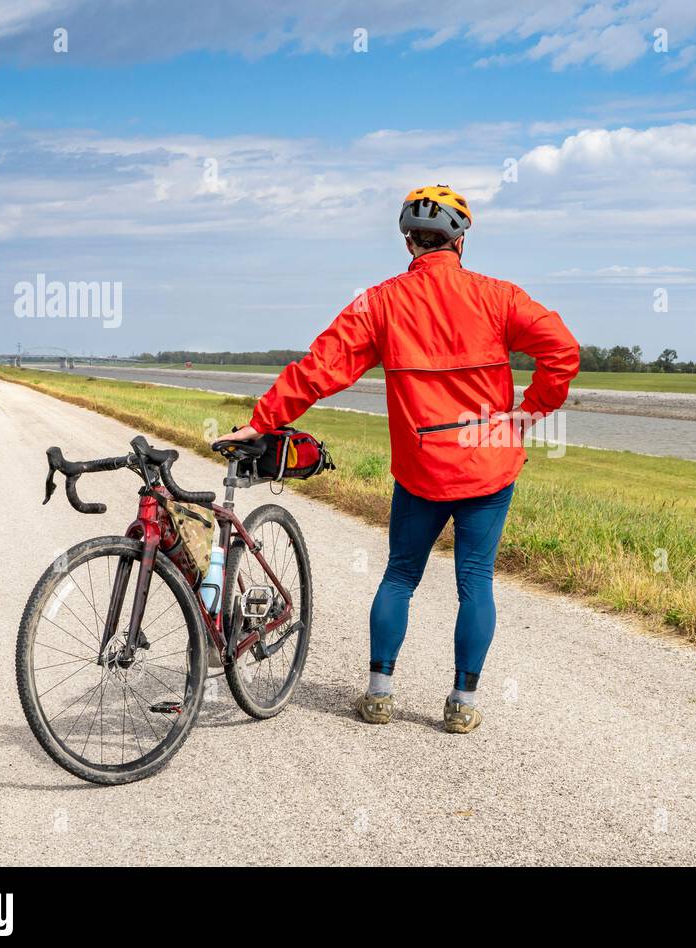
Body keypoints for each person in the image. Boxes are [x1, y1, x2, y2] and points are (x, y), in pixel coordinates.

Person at [228, 185, 579, 733]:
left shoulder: (381, 301)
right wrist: (529, 413)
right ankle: (462, 704)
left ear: (409, 242)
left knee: (399, 577)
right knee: (475, 580)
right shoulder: (500, 297)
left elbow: (321, 367)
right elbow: (563, 350)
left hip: (421, 468)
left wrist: (263, 418)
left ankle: (379, 695)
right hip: (488, 467)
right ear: (461, 240)